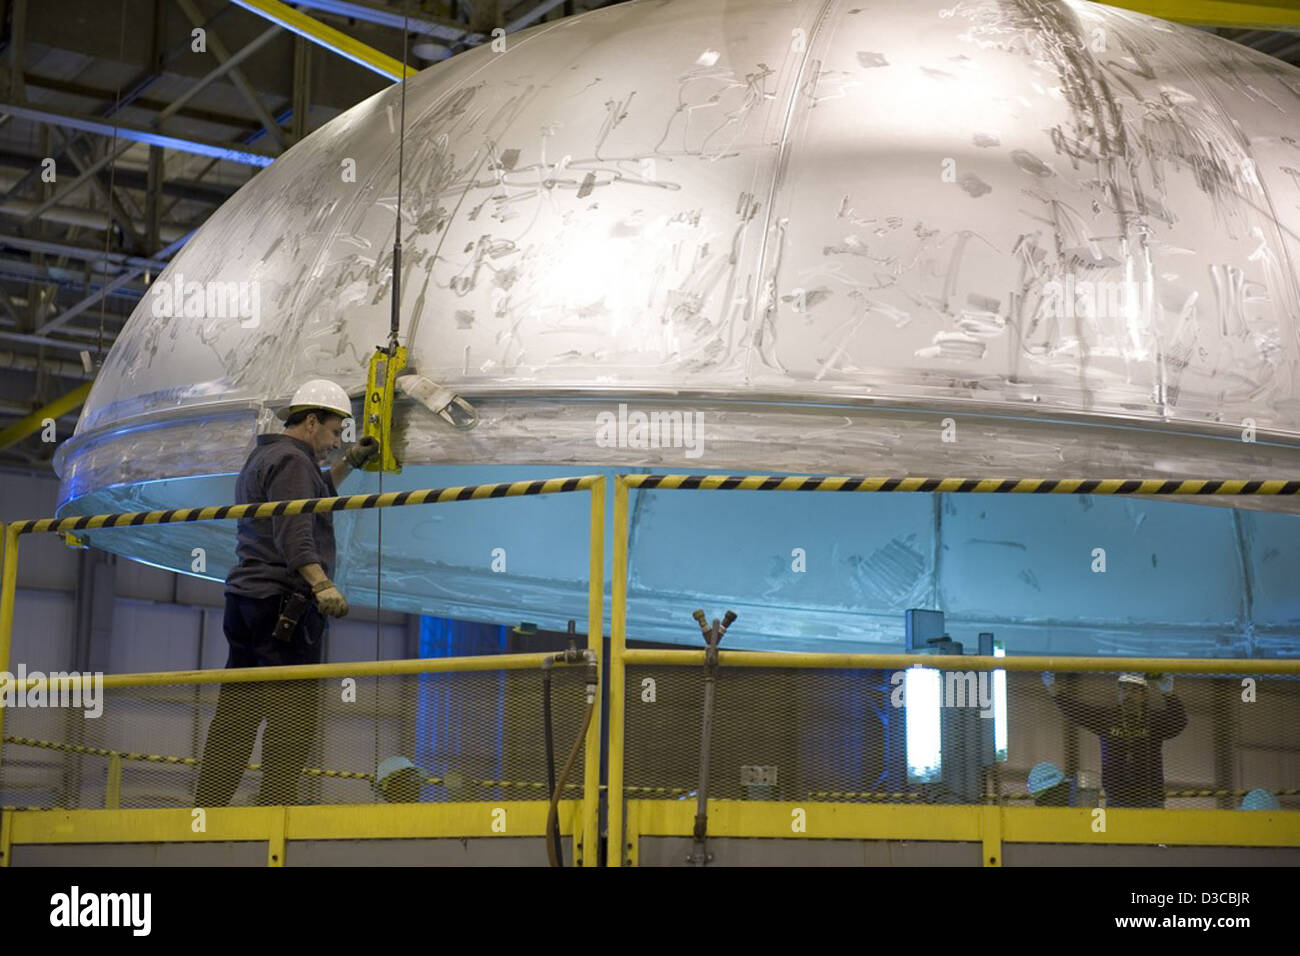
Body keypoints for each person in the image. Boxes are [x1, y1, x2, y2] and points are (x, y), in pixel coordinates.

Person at [195, 379, 379, 806]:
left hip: (247, 601)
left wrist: (350, 463)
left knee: (237, 713)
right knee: (292, 715)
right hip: (285, 606)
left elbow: (310, 493)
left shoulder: (266, 456)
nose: (337, 442)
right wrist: (322, 584)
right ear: (311, 422)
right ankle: (276, 809)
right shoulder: (293, 462)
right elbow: (295, 530)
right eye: (335, 433)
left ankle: (206, 807)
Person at [1042, 671, 1186, 808]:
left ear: (1143, 695)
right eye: (1124, 689)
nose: (1128, 694)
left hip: (1151, 798)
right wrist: (1052, 687)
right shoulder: (1106, 718)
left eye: (1134, 691)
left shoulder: (1153, 720)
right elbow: (1075, 710)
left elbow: (1179, 722)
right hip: (1117, 799)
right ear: (1118, 692)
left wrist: (1169, 694)